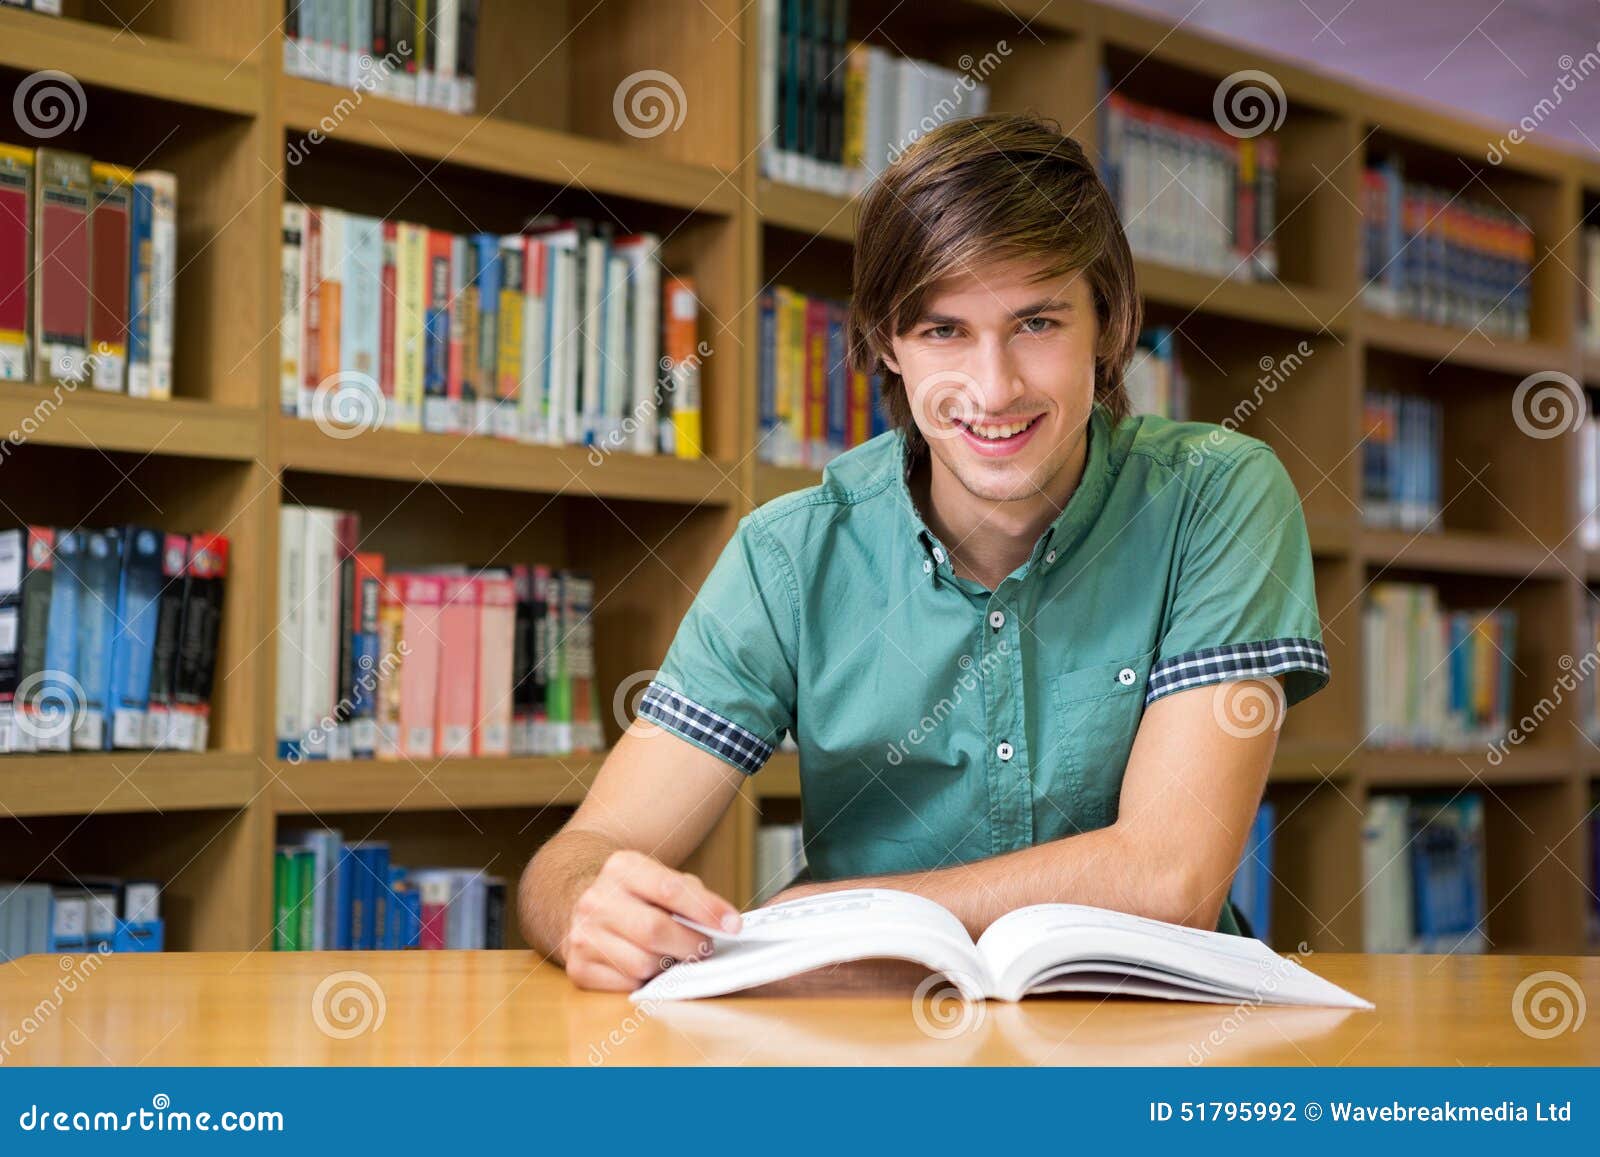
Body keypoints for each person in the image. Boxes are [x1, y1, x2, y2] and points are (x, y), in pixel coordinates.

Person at [518, 112, 1329, 992]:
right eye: (944, 331)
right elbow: (579, 855)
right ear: (885, 343)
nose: (995, 388)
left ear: (1110, 324)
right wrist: (588, 909)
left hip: (1148, 1038)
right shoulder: (789, 557)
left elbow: (1169, 877)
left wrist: (826, 910)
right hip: (868, 1040)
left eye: (1037, 323)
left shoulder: (1216, 493)